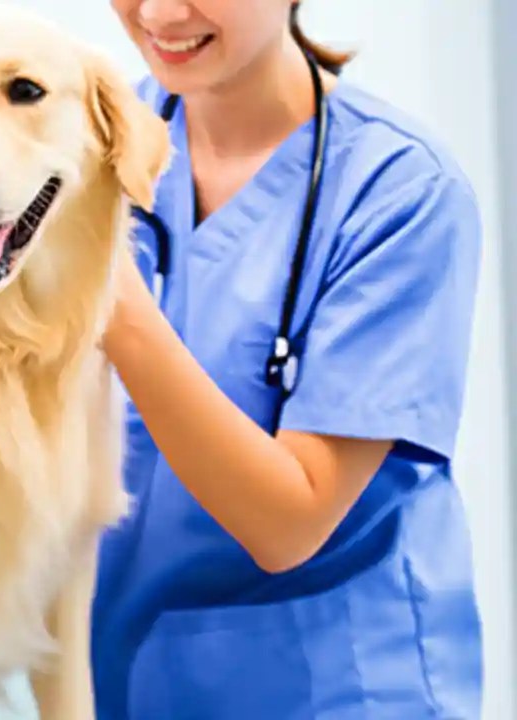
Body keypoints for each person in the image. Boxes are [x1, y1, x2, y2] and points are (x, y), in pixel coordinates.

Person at [91, 1, 486, 718]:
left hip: (334, 689)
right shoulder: (80, 148)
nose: (159, 12)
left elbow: (289, 524)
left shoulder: (398, 192)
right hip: (120, 679)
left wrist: (110, 307)